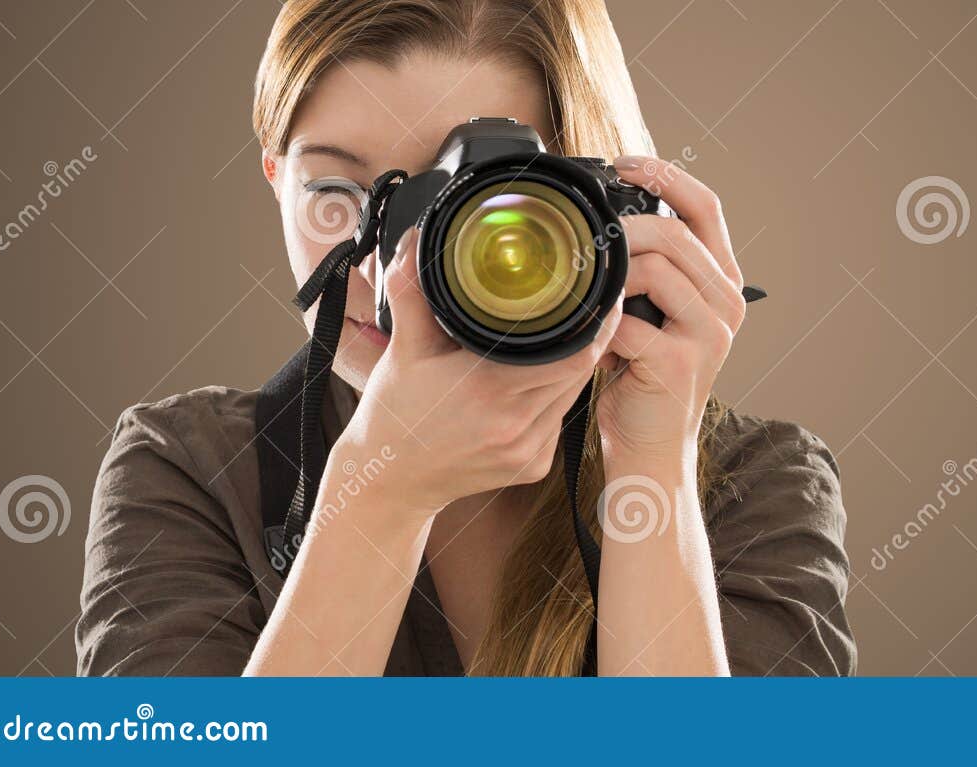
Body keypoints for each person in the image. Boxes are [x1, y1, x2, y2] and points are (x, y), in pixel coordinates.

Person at [76, 0, 854, 677]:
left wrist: (652, 463)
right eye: (339, 194)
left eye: (466, 200)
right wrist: (379, 493)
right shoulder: (190, 469)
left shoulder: (756, 484)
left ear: (593, 207)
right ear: (278, 179)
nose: (392, 274)